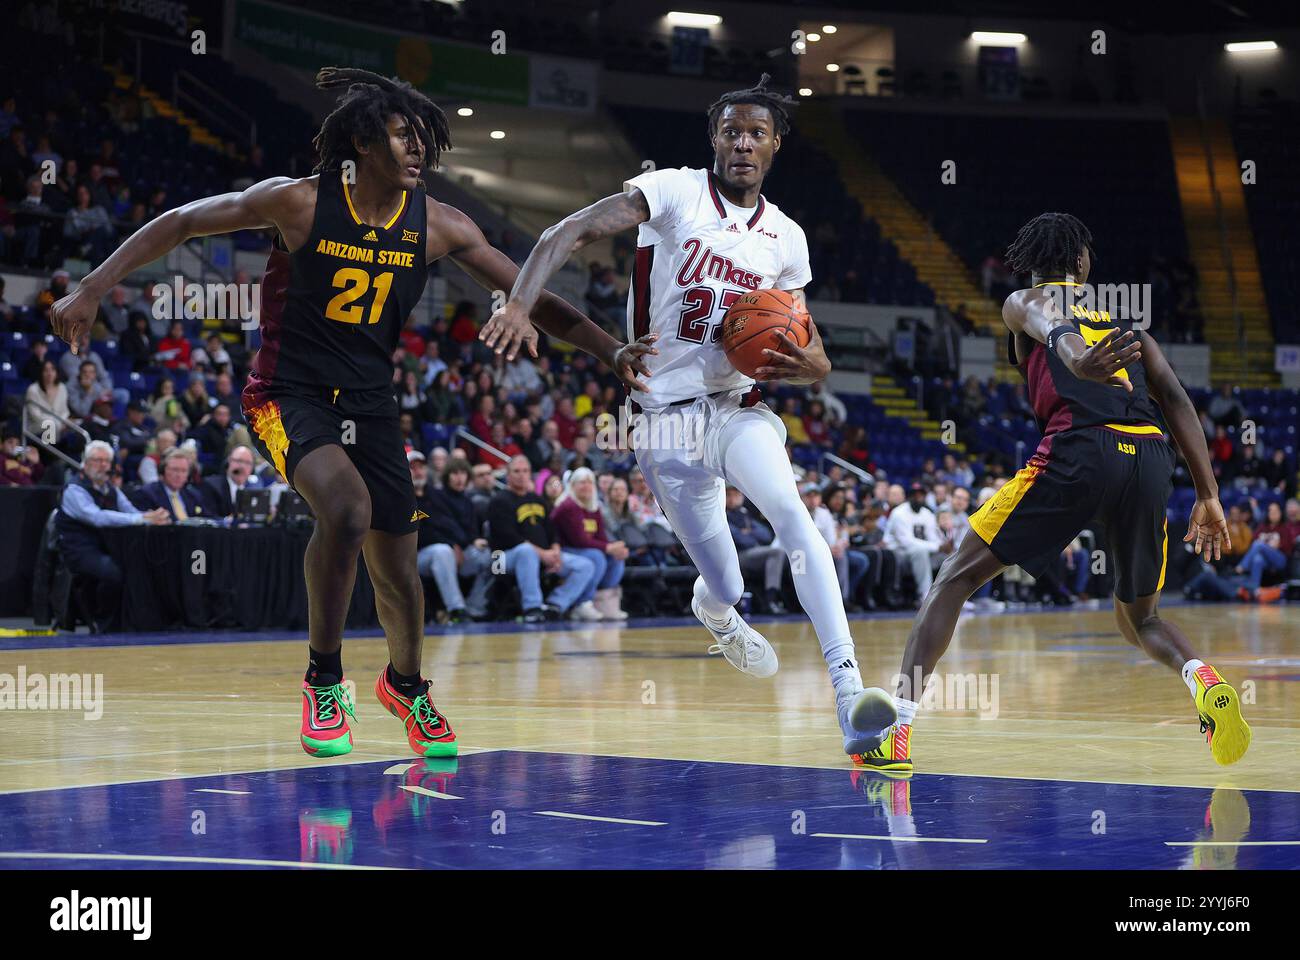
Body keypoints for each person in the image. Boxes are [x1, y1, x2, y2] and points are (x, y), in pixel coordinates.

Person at [51, 67, 651, 761]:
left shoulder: (440, 224)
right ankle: (323, 679)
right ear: (364, 141)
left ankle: (406, 685)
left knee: (399, 570)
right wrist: (93, 287)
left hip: (371, 404)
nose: (419, 148)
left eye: (424, 136)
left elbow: (530, 293)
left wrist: (610, 351)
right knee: (345, 511)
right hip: (286, 394)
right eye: (404, 134)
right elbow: (184, 221)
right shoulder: (299, 203)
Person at [482, 74, 892, 756]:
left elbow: (807, 342)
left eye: (756, 133)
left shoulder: (786, 238)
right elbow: (569, 229)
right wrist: (519, 303)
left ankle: (849, 694)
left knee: (794, 517)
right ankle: (715, 608)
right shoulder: (672, 191)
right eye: (731, 131)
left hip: (738, 409)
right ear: (714, 139)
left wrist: (818, 368)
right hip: (662, 422)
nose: (742, 143)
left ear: (775, 145)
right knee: (726, 581)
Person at [861, 212, 1250, 774]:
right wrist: (1208, 493)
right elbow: (1176, 399)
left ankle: (894, 734)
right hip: (1149, 456)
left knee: (954, 578)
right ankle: (1203, 680)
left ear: (1030, 263)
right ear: (1083, 262)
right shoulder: (1128, 327)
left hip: (1079, 450)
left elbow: (1051, 324)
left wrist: (1074, 358)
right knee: (1142, 619)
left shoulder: (1023, 299)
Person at [57, 440, 170, 630]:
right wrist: (142, 518)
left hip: (107, 547)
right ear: (85, 462)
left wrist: (153, 517)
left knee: (141, 568)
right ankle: (103, 621)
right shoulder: (74, 489)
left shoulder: (111, 489)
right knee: (115, 573)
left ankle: (135, 620)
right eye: (96, 460)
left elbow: (130, 511)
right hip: (78, 550)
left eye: (106, 461)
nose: (102, 465)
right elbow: (97, 517)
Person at [487, 456, 597, 622]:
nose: (521, 475)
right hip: (499, 559)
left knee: (585, 565)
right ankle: (532, 608)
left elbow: (552, 532)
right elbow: (509, 538)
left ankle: (555, 605)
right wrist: (542, 555)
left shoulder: (538, 500)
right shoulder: (499, 501)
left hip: (539, 555)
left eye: (525, 471)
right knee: (526, 552)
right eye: (516, 471)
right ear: (508, 475)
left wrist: (555, 551)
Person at [420, 455, 493, 623]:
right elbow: (436, 526)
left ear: (468, 476)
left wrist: (475, 540)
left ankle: (475, 607)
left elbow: (471, 531)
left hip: (463, 551)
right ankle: (456, 609)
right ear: (447, 475)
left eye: (462, 473)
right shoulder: (436, 496)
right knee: (443, 552)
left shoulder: (468, 500)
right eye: (454, 473)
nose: (459, 477)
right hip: (441, 550)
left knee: (495, 559)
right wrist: (452, 544)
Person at [551, 466, 629, 620]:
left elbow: (600, 536)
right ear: (572, 486)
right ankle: (582, 603)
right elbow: (579, 540)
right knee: (597, 557)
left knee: (616, 559)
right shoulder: (568, 506)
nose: (586, 486)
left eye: (589, 482)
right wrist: (608, 547)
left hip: (584, 549)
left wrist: (614, 549)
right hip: (565, 549)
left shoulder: (594, 507)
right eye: (582, 482)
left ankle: (603, 603)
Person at [725, 484, 786, 614]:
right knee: (776, 553)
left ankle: (791, 601)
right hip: (736, 556)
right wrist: (749, 534)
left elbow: (766, 535)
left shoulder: (744, 513)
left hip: (754, 553)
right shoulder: (722, 515)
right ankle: (771, 599)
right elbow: (740, 539)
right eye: (728, 495)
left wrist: (748, 532)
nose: (732, 498)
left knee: (792, 555)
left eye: (736, 494)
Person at [884, 482, 943, 604]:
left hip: (920, 552)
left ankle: (949, 597)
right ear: (909, 497)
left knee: (949, 556)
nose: (918, 498)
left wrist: (941, 547)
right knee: (920, 552)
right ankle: (925, 596)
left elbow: (934, 538)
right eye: (915, 495)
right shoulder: (899, 513)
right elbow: (907, 542)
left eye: (921, 495)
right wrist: (937, 547)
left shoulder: (927, 514)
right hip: (896, 553)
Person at [136, 447, 211, 520]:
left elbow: (209, 519)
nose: (179, 475)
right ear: (162, 471)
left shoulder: (193, 494)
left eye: (183, 471)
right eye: (175, 470)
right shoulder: (147, 493)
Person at [201, 445, 260, 517]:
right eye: (239, 461)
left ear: (252, 469)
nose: (242, 467)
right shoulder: (212, 486)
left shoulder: (254, 489)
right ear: (228, 462)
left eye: (247, 463)